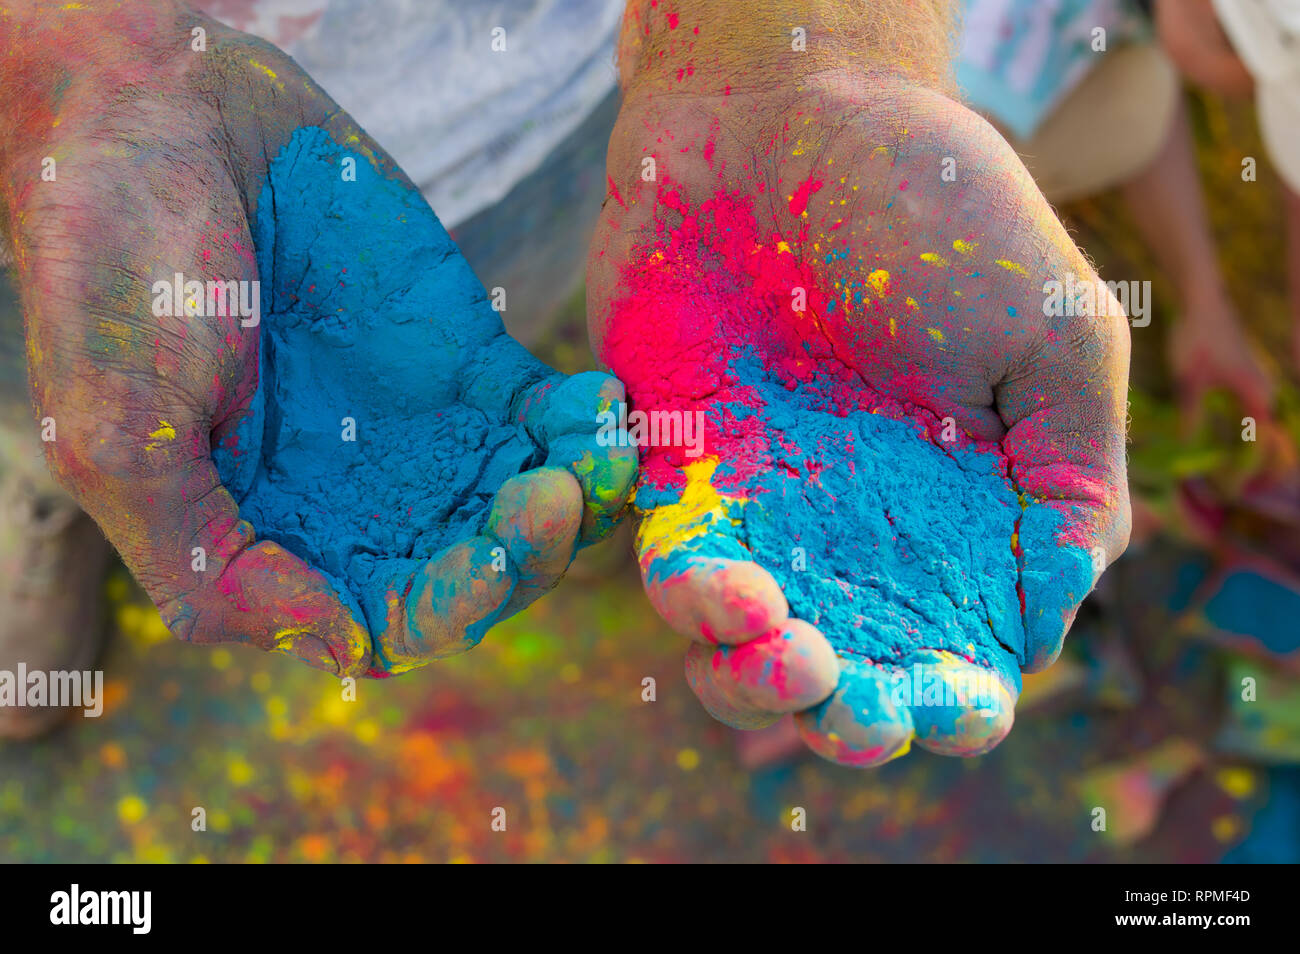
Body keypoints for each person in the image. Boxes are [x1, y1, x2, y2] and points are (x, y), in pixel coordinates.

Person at [0, 0, 634, 736]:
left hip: (526, 101)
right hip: (61, 155)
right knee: (73, 382)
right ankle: (45, 489)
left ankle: (532, 442)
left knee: (488, 322)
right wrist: (60, 59)